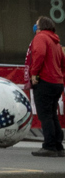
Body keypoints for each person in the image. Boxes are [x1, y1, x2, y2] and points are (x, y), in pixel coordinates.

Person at [25, 18, 64, 158]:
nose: (35, 26)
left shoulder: (41, 38)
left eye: (37, 23)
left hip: (45, 81)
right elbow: (62, 62)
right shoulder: (56, 42)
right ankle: (58, 146)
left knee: (45, 115)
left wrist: (34, 73)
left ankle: (49, 146)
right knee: (52, 114)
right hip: (57, 82)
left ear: (41, 26)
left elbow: (39, 54)